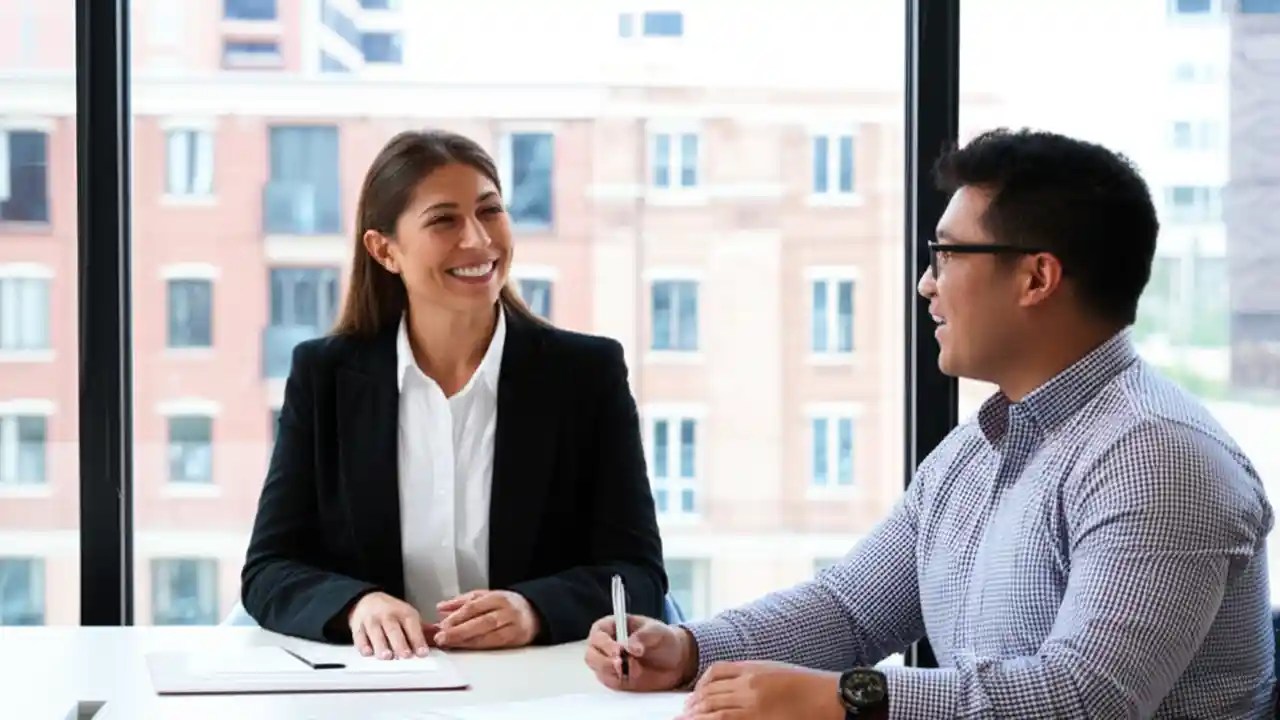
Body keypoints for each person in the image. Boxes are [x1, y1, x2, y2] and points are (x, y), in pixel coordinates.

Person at [584, 129, 1275, 719]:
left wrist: (845, 698)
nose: (926, 283)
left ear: (1037, 278)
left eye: (947, 255)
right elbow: (850, 609)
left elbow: (1082, 700)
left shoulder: (1160, 459)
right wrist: (689, 648)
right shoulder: (979, 447)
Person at [241, 129, 667, 659]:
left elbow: (638, 572)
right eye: (444, 220)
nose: (479, 240)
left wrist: (533, 609)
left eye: (490, 211)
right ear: (384, 250)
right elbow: (269, 569)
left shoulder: (584, 374)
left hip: (537, 685)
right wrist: (358, 606)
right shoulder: (324, 375)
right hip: (380, 684)